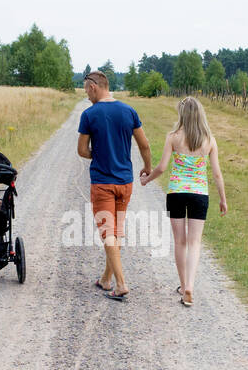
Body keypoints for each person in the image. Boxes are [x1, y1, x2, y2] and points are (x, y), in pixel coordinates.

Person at [140, 96, 227, 307]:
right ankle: (189, 285)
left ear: (182, 114)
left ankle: (182, 285)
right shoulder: (209, 140)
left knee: (179, 241)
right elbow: (216, 174)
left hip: (176, 193)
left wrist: (146, 180)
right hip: (199, 195)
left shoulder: (173, 137)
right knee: (194, 242)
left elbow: (161, 167)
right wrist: (223, 199)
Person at [77, 70, 151, 301]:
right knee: (115, 233)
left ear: (93, 87)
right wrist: (147, 167)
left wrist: (99, 155)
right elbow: (144, 145)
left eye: (86, 90)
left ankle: (120, 284)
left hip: (102, 183)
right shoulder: (129, 111)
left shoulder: (89, 114)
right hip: (125, 183)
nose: (86, 95)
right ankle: (106, 279)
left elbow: (81, 150)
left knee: (109, 233)